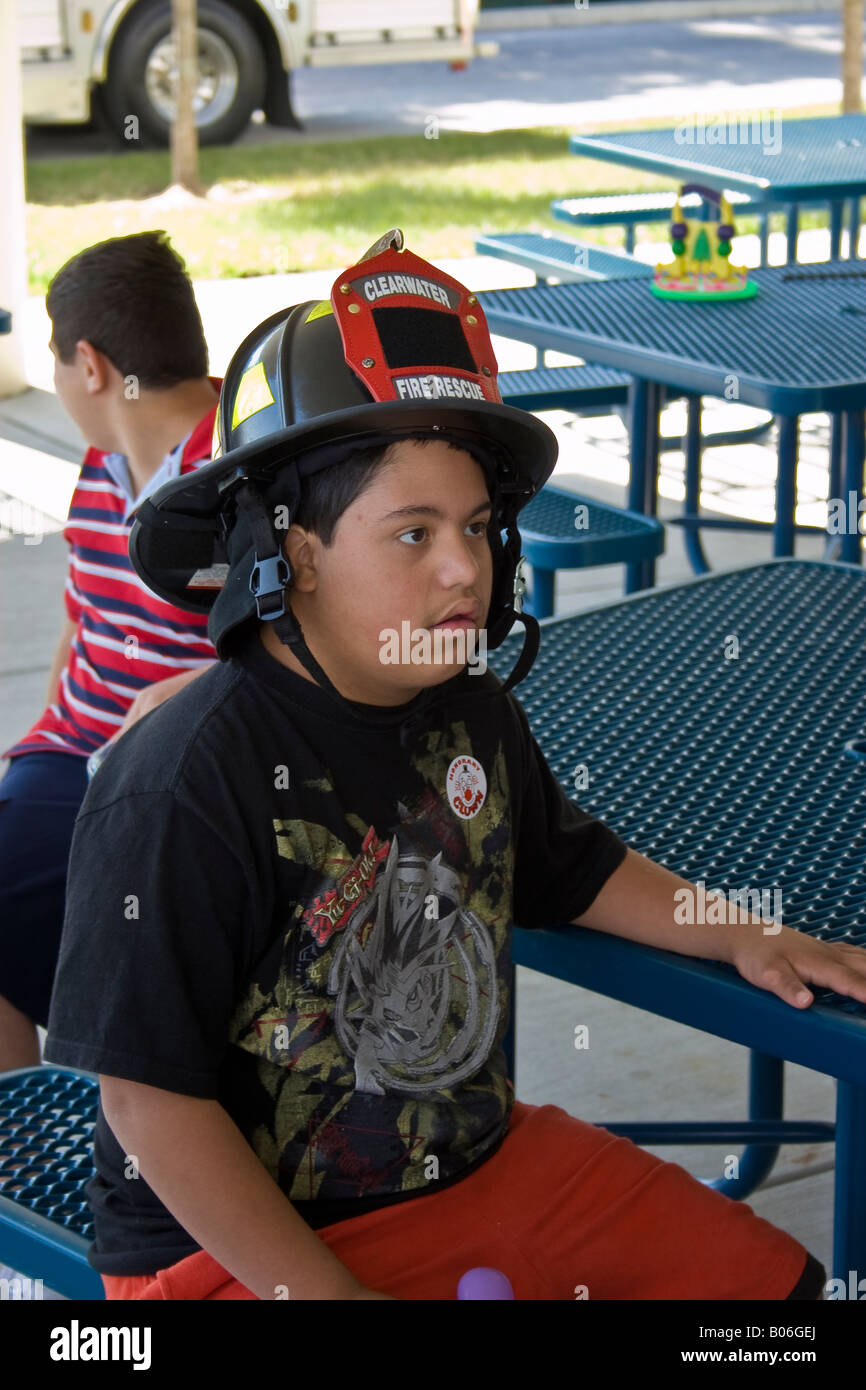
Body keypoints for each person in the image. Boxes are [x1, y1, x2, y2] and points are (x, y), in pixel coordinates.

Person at [44, 231, 863, 1301]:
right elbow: (150, 1109)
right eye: (413, 532)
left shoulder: (465, 707)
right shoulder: (181, 783)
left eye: (477, 527)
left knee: (783, 1308)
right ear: (292, 554)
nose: (463, 567)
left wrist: (741, 927)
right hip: (236, 1243)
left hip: (477, 1165)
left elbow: (569, 867)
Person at [0, 231, 221, 1074]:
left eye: (57, 364)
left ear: (88, 365)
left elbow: (306, 649)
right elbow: (82, 614)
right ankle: (28, 1163)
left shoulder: (240, 475)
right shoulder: (100, 465)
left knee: (123, 966)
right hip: (74, 757)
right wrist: (36, 748)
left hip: (168, 783)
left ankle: (111, 1139)